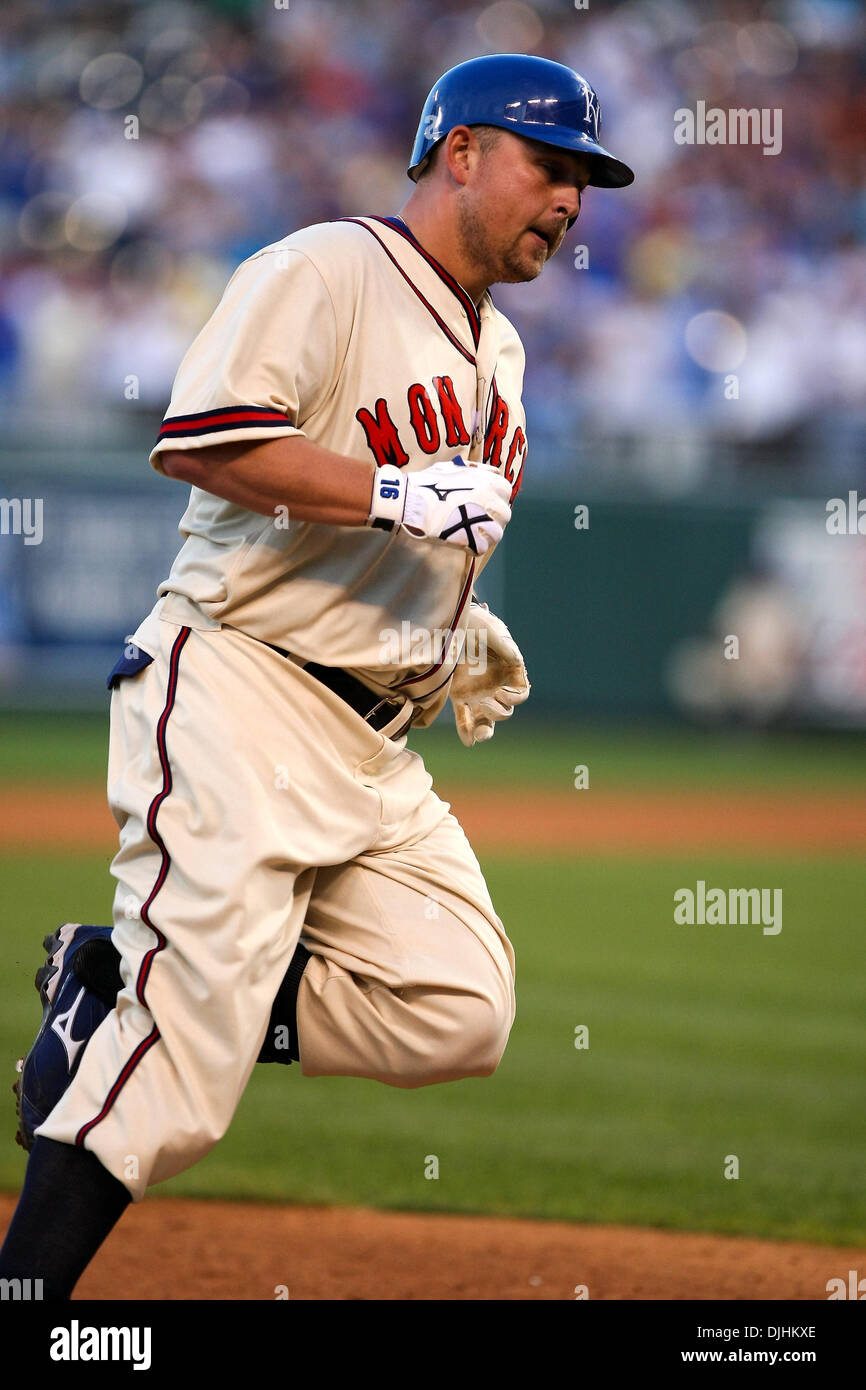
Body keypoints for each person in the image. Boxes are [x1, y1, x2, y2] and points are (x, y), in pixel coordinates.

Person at [1, 53, 633, 1299]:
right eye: (548, 166)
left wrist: (453, 643)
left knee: (458, 1007)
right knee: (174, 1076)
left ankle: (120, 971)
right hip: (239, 687)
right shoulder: (324, 268)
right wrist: (391, 488)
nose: (568, 202)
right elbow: (204, 438)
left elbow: (426, 545)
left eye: (583, 181)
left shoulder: (498, 349)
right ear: (460, 151)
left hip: (369, 744)